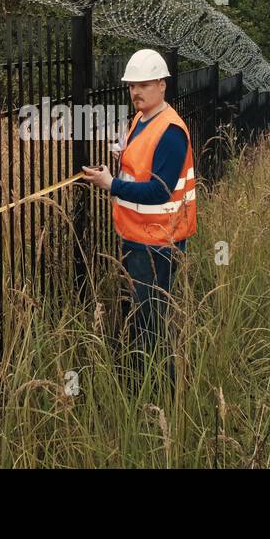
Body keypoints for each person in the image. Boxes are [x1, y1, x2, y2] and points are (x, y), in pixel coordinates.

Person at [81, 49, 197, 390]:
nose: (136, 92)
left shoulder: (171, 130)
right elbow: (137, 170)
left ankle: (161, 391)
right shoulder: (140, 119)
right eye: (132, 86)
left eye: (144, 85)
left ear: (162, 85)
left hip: (160, 241)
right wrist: (115, 167)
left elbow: (159, 191)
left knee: (150, 320)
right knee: (141, 315)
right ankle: (141, 382)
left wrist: (110, 184)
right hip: (137, 235)